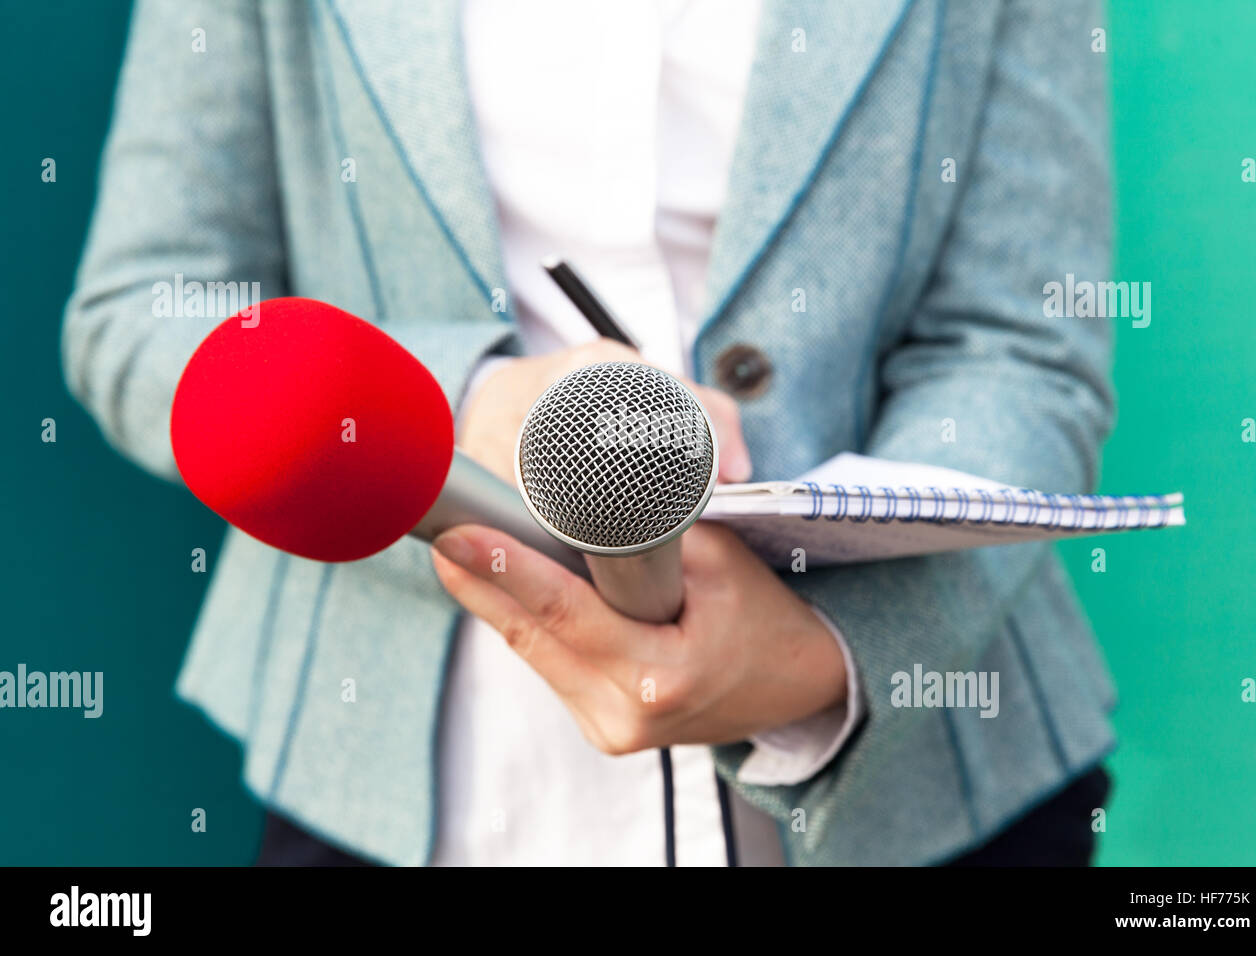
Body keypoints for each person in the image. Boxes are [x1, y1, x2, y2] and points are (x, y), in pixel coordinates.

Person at [63, 0, 1116, 866]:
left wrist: (827, 658)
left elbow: (1019, 346)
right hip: (390, 780)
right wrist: (468, 411)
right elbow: (143, 309)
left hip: (928, 787)